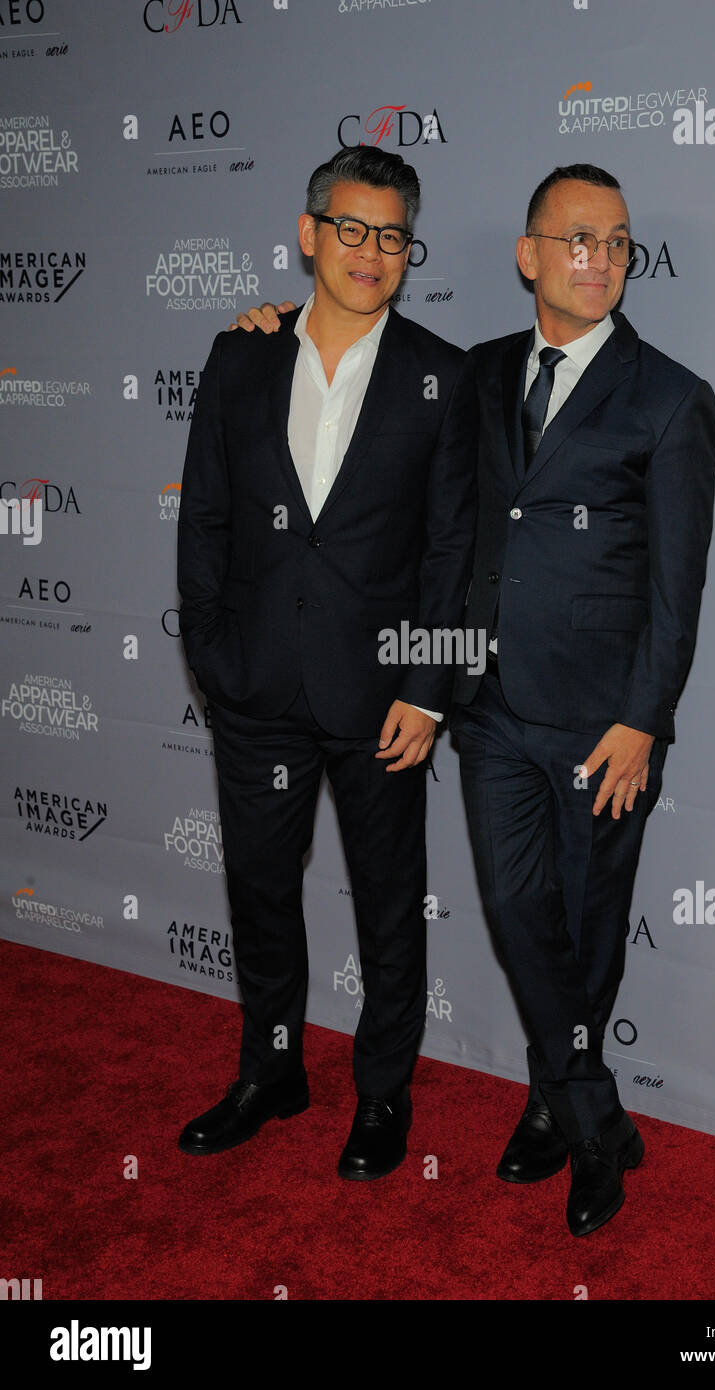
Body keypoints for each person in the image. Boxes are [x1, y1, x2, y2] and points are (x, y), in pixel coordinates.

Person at [232, 161, 715, 1236]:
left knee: (586, 932)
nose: (599, 259)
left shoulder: (672, 397)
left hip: (605, 724)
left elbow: (676, 590)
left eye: (618, 242)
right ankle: (599, 1122)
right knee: (514, 915)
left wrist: (642, 720)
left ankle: (561, 1107)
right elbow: (436, 517)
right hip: (489, 709)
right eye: (577, 239)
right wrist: (267, 331)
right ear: (528, 256)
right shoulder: (476, 373)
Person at [176, 145, 476, 1181]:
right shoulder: (239, 357)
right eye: (350, 228)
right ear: (310, 234)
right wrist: (210, 653)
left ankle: (382, 1091)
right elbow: (206, 518)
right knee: (260, 890)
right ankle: (272, 1069)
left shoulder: (445, 375)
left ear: (406, 252)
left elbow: (455, 552)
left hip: (383, 696)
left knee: (390, 902)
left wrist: (429, 693)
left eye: (391, 235)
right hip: (255, 686)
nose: (370, 252)